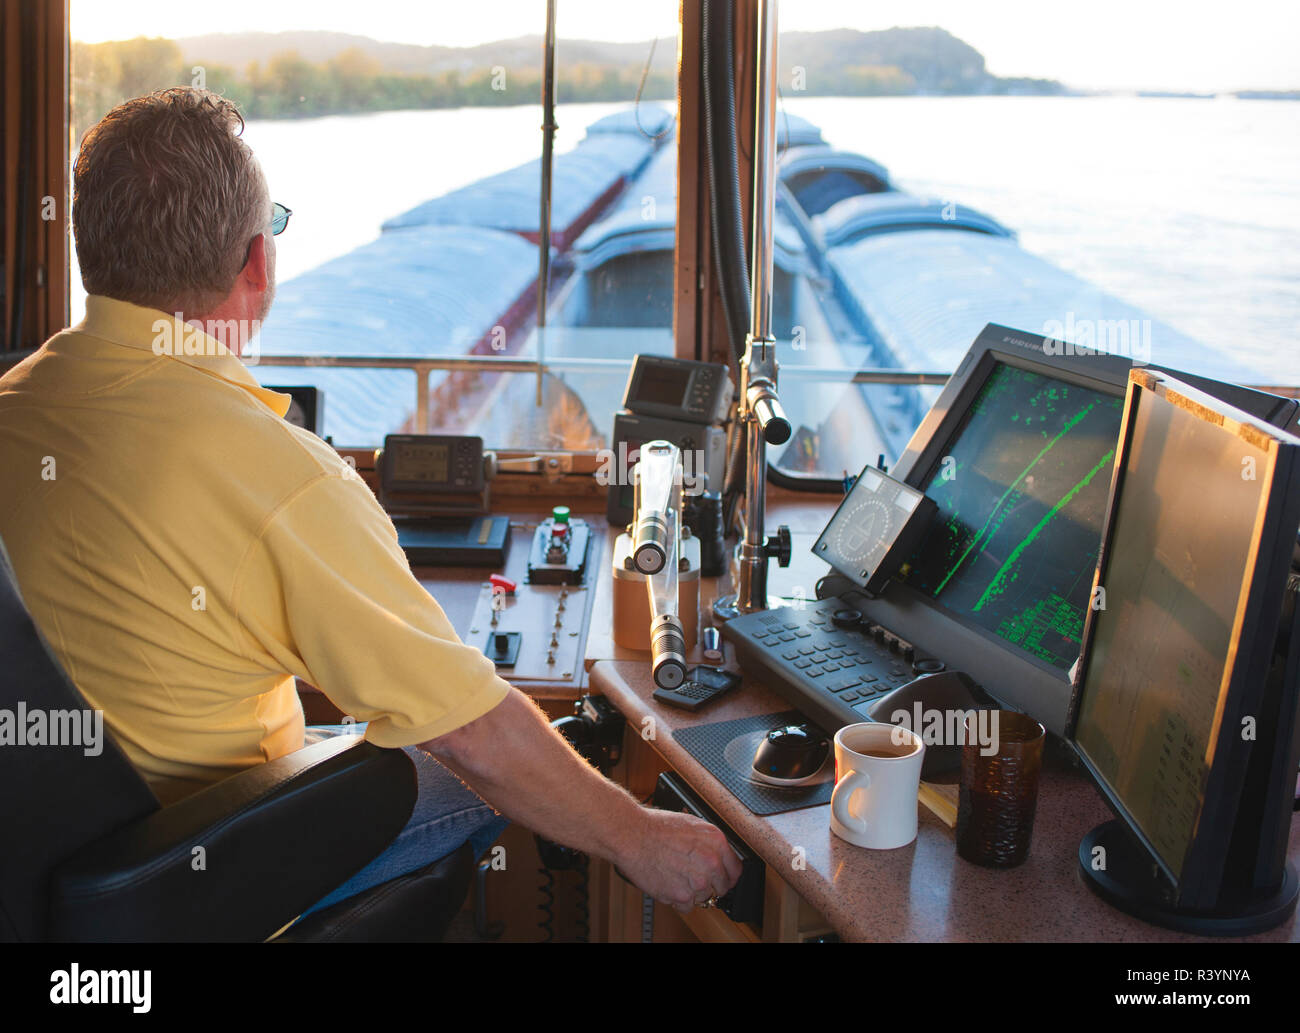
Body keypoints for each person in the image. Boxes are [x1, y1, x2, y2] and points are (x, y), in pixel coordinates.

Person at [0, 87, 739, 917]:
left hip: (43, 857)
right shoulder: (276, 470)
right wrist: (640, 837)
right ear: (256, 262)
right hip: (190, 873)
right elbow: (470, 732)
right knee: (485, 772)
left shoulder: (13, 402)